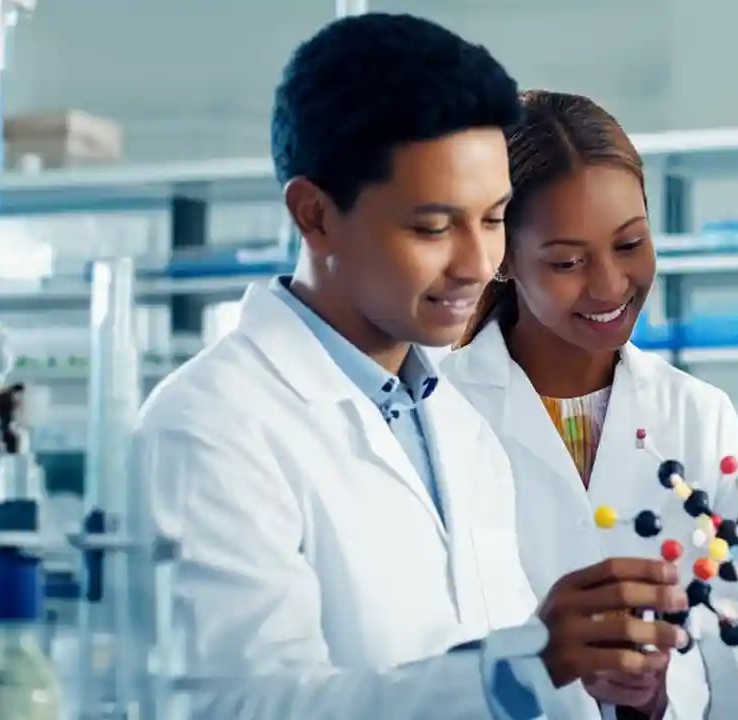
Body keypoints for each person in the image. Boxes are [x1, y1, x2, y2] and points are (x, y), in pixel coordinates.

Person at [129, 15, 689, 720]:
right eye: (433, 227)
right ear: (315, 215)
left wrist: (608, 693)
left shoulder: (452, 419)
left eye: (492, 220)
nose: (478, 264)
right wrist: (520, 667)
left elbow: (496, 680)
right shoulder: (211, 426)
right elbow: (239, 706)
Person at [441, 91, 738, 719]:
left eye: (629, 244)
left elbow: (732, 654)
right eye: (568, 260)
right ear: (502, 256)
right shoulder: (440, 414)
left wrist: (656, 701)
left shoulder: (697, 415)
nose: (609, 285)